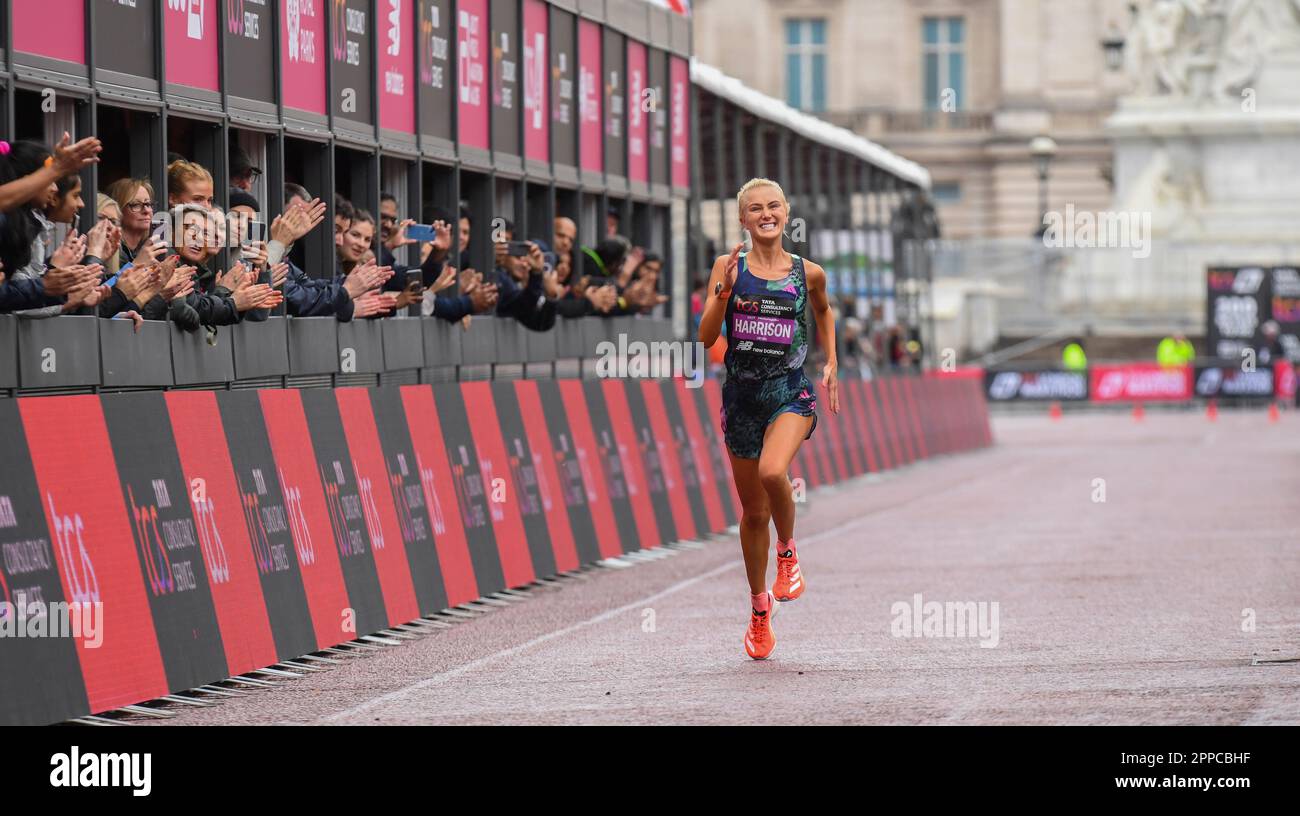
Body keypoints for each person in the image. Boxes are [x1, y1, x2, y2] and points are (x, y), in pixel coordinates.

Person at [698, 177, 839, 660]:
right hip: (742, 398)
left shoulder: (807, 272)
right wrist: (723, 291)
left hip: (791, 393)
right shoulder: (727, 266)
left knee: (773, 471)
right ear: (743, 219)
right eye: (755, 208)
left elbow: (823, 310)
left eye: (773, 205)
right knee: (753, 512)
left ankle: (788, 553)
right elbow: (705, 336)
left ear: (786, 211)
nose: (765, 214)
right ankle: (760, 609)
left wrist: (832, 360)